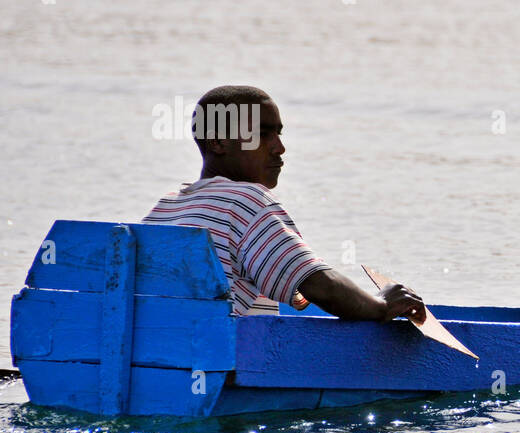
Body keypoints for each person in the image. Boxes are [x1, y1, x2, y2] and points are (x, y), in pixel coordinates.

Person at [143, 85, 424, 322]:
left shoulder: (165, 208)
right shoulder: (245, 202)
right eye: (262, 134)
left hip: (156, 356)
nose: (279, 147)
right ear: (217, 142)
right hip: (219, 360)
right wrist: (382, 305)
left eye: (278, 133)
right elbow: (320, 286)